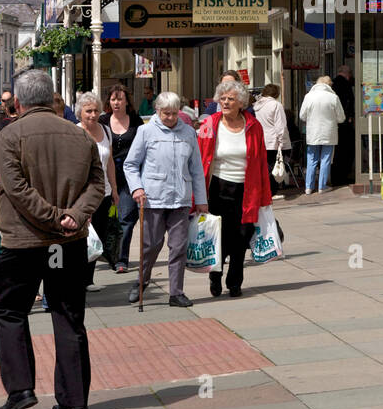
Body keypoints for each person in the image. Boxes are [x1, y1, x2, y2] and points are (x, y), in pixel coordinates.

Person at [0, 69, 106, 409]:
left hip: (24, 242)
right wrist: (74, 215)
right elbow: (97, 183)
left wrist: (55, 217)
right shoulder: (79, 135)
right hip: (68, 242)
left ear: (20, 102)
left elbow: (16, 189)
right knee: (68, 316)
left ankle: (21, 389)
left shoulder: (9, 137)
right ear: (50, 96)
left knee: (10, 311)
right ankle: (75, 401)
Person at [124, 91, 208, 308]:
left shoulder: (189, 132)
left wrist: (201, 199)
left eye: (173, 113)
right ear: (157, 111)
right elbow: (130, 164)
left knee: (178, 246)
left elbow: (196, 169)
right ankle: (142, 280)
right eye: (165, 113)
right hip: (153, 198)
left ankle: (176, 292)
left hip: (180, 198)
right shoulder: (145, 131)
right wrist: (137, 188)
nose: (170, 118)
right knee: (151, 246)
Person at [196, 78, 271, 298]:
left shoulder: (253, 126)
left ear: (241, 103)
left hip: (247, 189)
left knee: (242, 236)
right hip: (218, 188)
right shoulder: (210, 124)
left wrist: (265, 197)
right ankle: (215, 275)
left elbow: (260, 162)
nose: (226, 102)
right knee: (220, 237)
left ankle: (235, 281)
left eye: (231, 99)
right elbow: (200, 159)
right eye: (223, 98)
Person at [75, 91, 118, 292]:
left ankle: (87, 279)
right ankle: (76, 278)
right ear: (80, 112)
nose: (93, 115)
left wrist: (115, 189)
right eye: (88, 111)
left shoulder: (106, 130)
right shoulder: (74, 132)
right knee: (81, 237)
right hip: (83, 195)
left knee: (97, 236)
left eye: (96, 111)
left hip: (105, 192)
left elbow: (109, 161)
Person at [102, 84, 144, 273]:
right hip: (105, 175)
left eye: (120, 99)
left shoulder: (136, 121)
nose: (117, 103)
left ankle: (121, 259)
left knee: (126, 217)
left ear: (127, 101)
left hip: (128, 176)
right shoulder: (102, 121)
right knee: (102, 219)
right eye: (113, 99)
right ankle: (104, 253)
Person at [298, 76, 344, 194]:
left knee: (312, 159)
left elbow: (302, 116)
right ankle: (322, 186)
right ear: (329, 85)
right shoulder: (333, 97)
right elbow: (341, 117)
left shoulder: (308, 96)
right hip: (329, 132)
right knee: (326, 159)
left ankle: (308, 187)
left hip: (313, 132)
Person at [254, 83, 291, 200]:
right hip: (272, 141)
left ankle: (264, 191)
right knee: (273, 166)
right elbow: (281, 126)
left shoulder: (256, 106)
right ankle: (271, 192)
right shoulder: (276, 105)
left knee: (263, 167)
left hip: (259, 140)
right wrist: (283, 142)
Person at [331, 64, 357, 186]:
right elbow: (348, 102)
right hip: (344, 123)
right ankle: (342, 177)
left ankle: (335, 177)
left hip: (334, 124)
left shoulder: (333, 84)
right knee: (346, 151)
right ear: (348, 74)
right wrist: (349, 117)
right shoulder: (346, 85)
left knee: (336, 152)